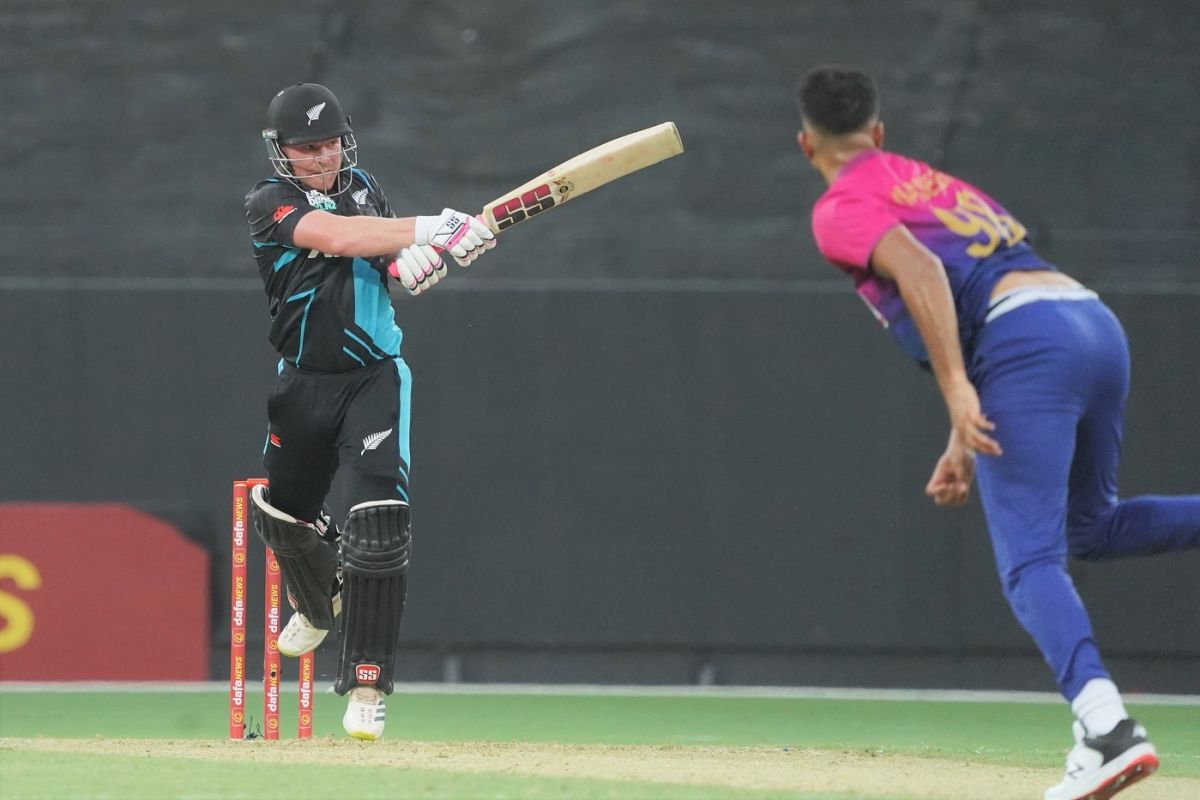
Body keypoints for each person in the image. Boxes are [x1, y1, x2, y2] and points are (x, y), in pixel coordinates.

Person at [795, 65, 1199, 800]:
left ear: (805, 145)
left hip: (1027, 345)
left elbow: (923, 275)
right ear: (879, 133)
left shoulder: (839, 204)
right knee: (1093, 529)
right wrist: (966, 424)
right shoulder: (927, 178)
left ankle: (1108, 729)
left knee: (1030, 561)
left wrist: (956, 393)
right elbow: (979, 277)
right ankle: (1094, 737)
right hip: (1091, 324)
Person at [242, 82, 496, 740]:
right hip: (301, 383)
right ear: (283, 153)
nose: (323, 158)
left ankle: (365, 684)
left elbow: (377, 256)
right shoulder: (269, 203)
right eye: (308, 148)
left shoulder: (363, 185)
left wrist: (414, 266)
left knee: (379, 526)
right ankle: (316, 595)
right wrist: (431, 226)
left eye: (330, 144)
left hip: (372, 379)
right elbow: (336, 236)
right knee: (277, 514)